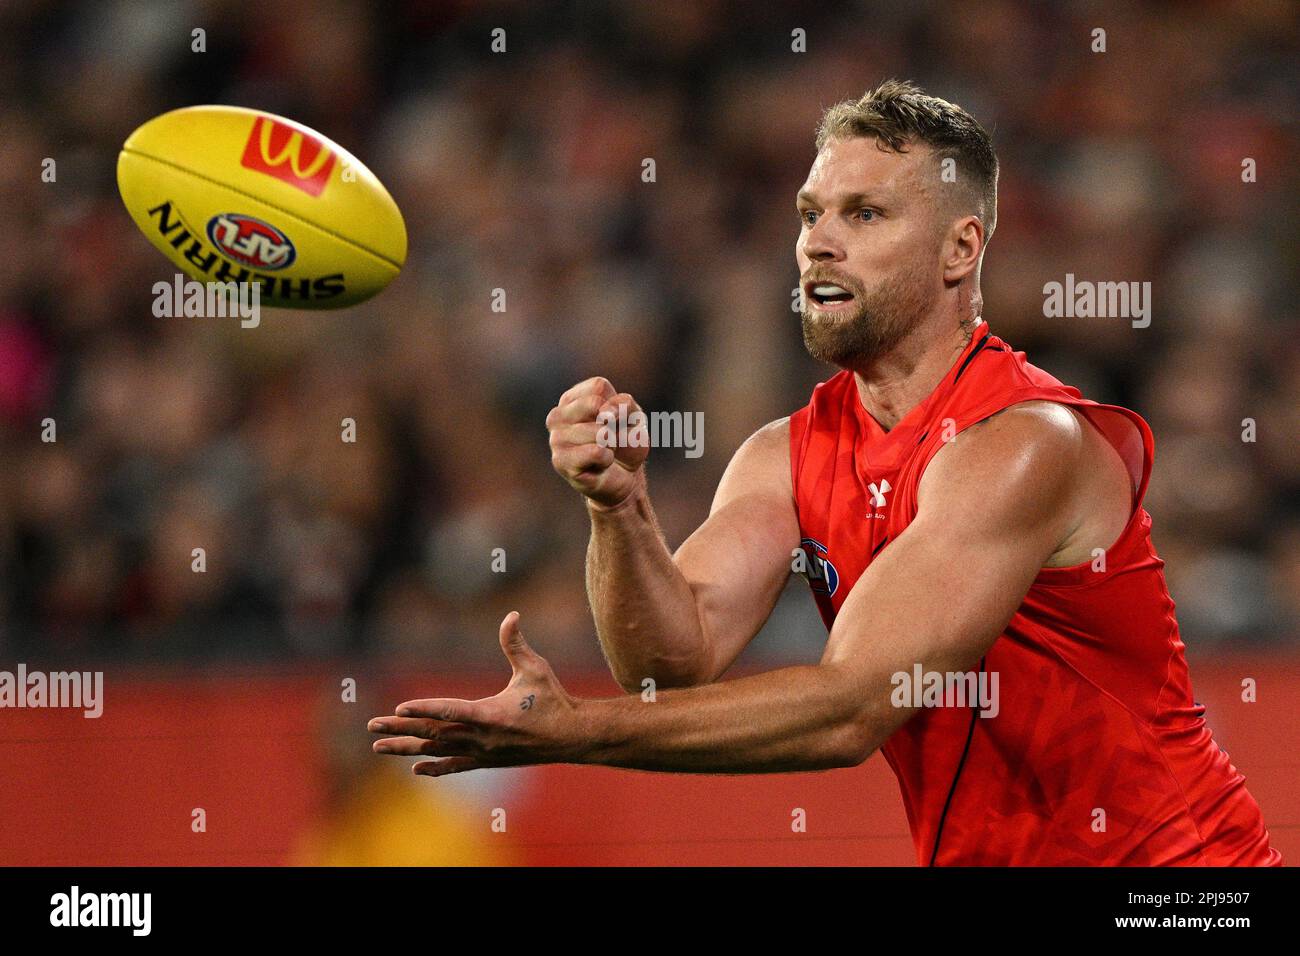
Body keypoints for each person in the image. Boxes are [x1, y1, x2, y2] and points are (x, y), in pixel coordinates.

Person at [369, 80, 1280, 866]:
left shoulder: (1024, 443)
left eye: (865, 214)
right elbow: (670, 660)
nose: (817, 243)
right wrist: (620, 509)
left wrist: (571, 731)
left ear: (961, 250)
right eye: (811, 214)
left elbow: (850, 710)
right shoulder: (786, 452)